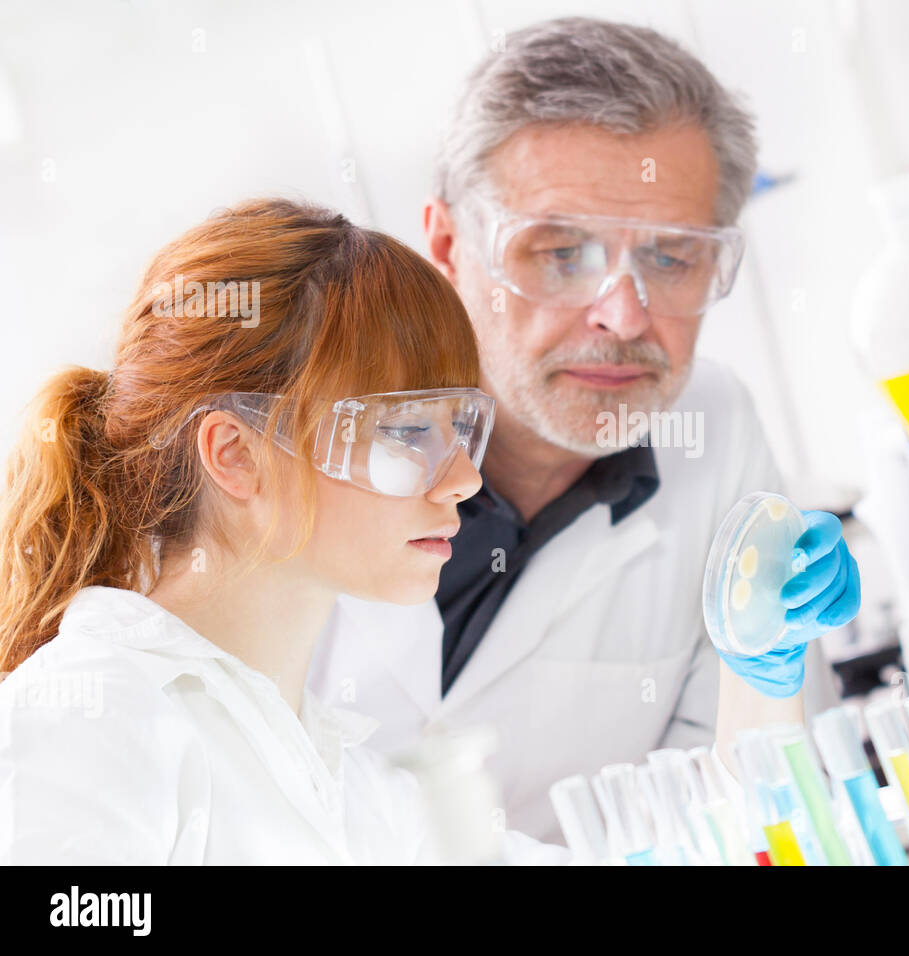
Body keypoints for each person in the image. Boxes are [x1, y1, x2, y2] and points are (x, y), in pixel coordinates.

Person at [309, 17, 862, 841]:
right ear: (448, 247)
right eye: (562, 253)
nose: (624, 314)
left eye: (672, 257)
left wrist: (769, 679)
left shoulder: (713, 430)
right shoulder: (304, 445)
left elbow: (753, 813)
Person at [0, 199, 493, 864]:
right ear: (235, 454)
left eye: (461, 427)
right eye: (405, 429)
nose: (463, 478)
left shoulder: (353, 787)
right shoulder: (88, 722)